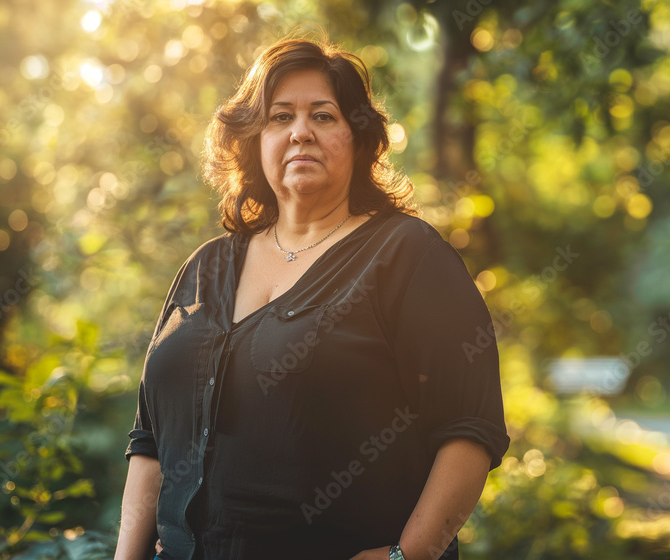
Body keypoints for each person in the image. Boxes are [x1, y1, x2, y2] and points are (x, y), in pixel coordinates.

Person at [114, 31, 510, 560]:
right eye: (280, 117)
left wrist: (406, 557)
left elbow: (470, 427)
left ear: (359, 138)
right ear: (255, 139)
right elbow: (150, 447)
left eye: (323, 116)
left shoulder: (407, 256)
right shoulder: (204, 268)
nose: (301, 132)